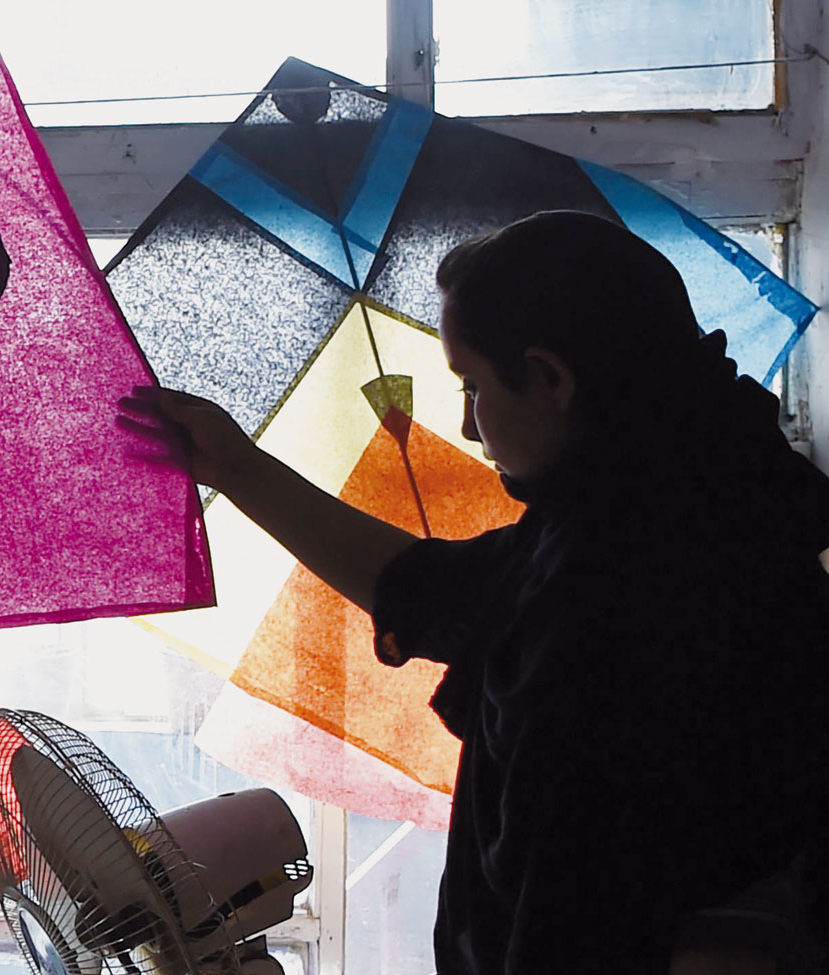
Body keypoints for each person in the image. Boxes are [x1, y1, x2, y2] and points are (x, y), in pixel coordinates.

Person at [119, 210, 829, 975]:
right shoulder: (664, 507)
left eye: (473, 384)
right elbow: (434, 587)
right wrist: (239, 469)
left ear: (551, 378)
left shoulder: (636, 588)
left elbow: (643, 909)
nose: (463, 423)